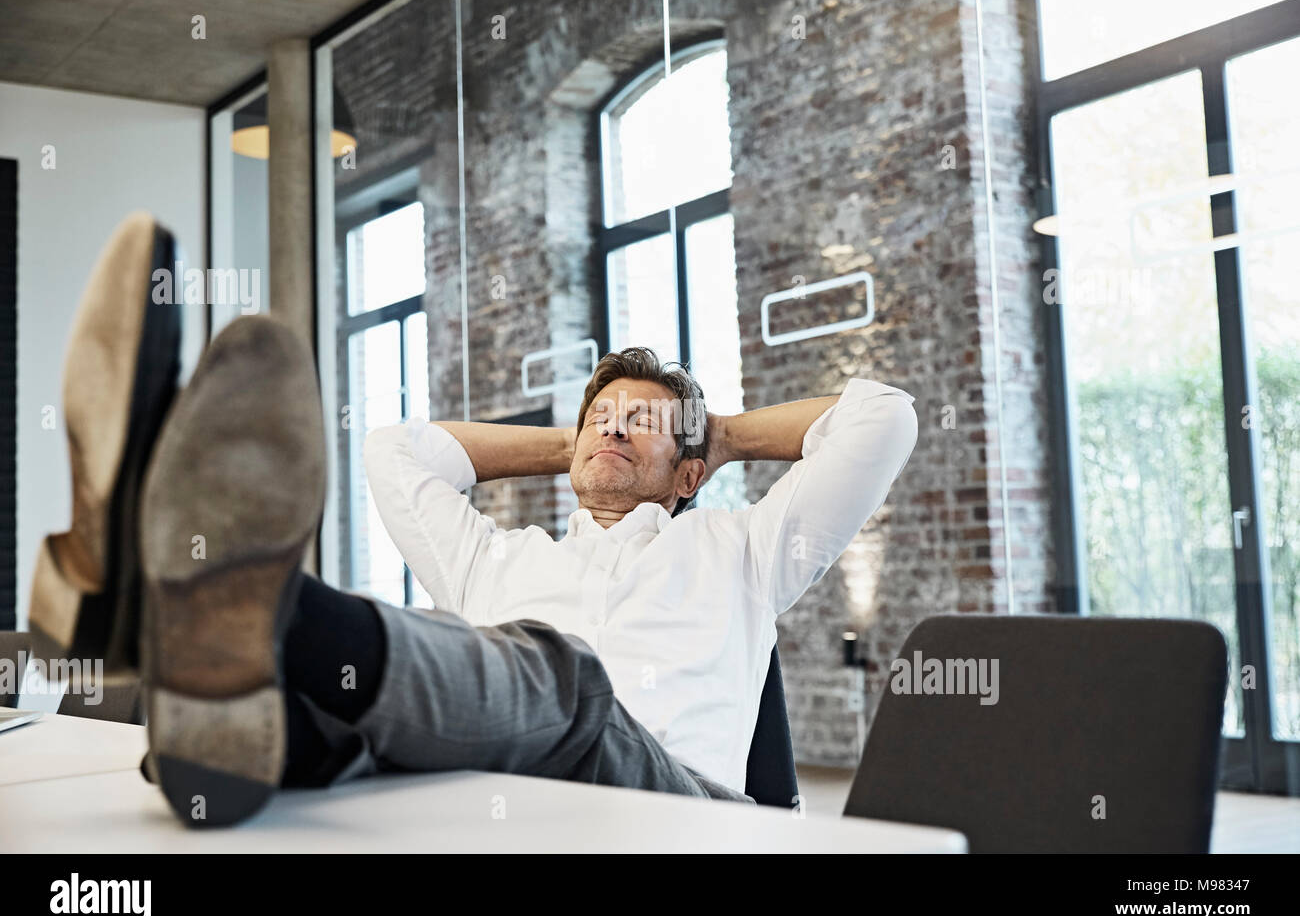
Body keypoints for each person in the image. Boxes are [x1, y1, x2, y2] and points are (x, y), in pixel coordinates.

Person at [30, 221, 918, 827]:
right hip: (502, 807)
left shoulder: (748, 550)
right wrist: (572, 444)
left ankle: (181, 598)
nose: (613, 426)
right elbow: (395, 452)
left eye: (639, 422)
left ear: (691, 473)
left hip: (679, 813)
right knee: (368, 724)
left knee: (569, 687)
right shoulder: (499, 556)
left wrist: (714, 436)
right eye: (599, 416)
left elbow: (882, 419)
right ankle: (239, 733)